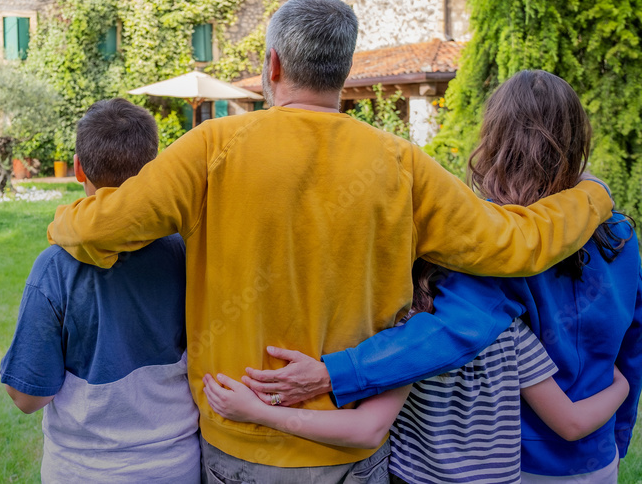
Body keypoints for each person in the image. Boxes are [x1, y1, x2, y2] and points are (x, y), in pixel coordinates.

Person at [47, 0, 614, 481]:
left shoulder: (209, 147)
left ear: (272, 65)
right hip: (355, 441)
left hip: (242, 435)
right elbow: (514, 245)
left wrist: (61, 224)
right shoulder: (401, 164)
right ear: (343, 73)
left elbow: (103, 226)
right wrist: (592, 196)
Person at [241, 70, 641, 482]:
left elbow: (449, 333)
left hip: (526, 461)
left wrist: (334, 373)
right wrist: (620, 433)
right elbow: (631, 347)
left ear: (496, 140)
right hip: (597, 452)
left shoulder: (494, 238)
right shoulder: (622, 238)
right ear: (577, 141)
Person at [0, 98, 198, 484]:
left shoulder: (54, 268)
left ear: (77, 168)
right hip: (177, 465)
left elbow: (28, 397)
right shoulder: (187, 250)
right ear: (154, 169)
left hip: (83, 470)